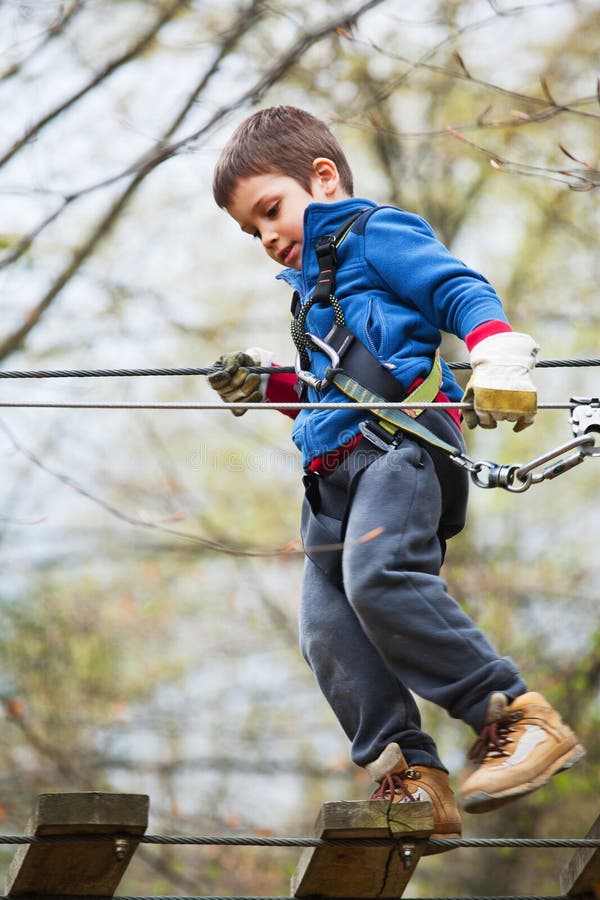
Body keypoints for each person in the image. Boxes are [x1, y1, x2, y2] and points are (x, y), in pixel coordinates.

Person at [208, 105, 584, 847]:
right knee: (324, 630)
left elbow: (458, 289)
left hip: (399, 451)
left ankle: (513, 716)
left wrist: (498, 351)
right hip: (331, 478)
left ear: (322, 177)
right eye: (252, 232)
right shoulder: (310, 295)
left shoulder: (377, 234)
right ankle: (413, 777)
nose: (268, 238)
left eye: (271, 210)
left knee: (380, 577)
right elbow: (335, 395)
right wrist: (272, 391)